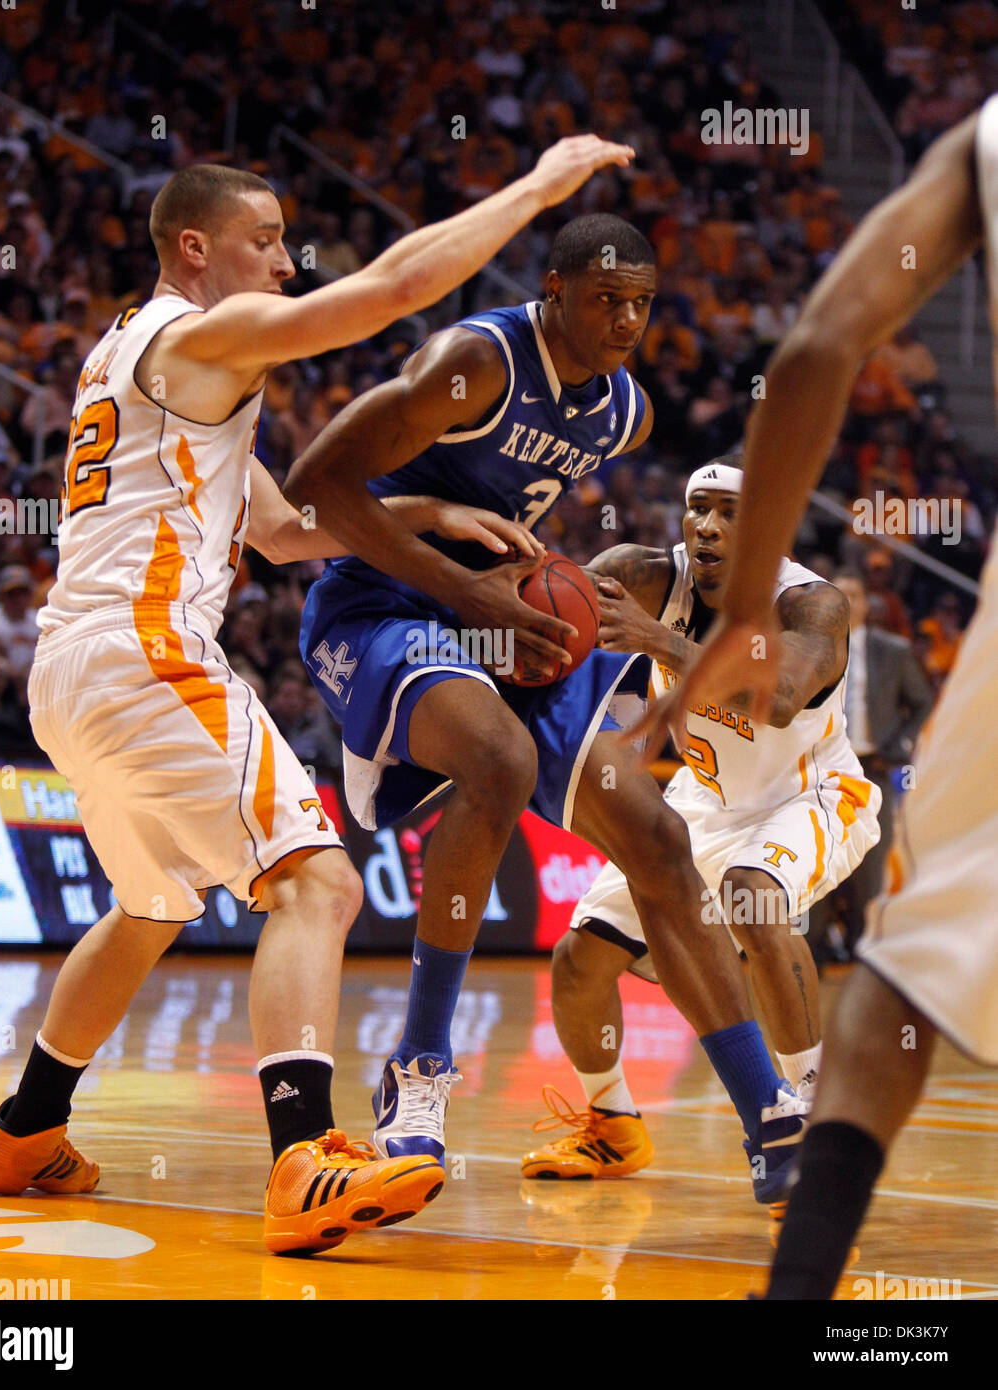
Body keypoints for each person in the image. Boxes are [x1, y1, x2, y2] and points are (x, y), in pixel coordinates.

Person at [0, 140, 638, 1257]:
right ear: (195, 248)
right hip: (145, 653)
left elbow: (280, 533)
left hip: (73, 671)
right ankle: (302, 1157)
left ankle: (26, 1129)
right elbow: (391, 295)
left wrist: (430, 516)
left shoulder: (136, 360)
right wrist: (536, 188)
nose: (286, 261)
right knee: (316, 882)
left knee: (150, 907)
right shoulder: (192, 333)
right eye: (265, 240)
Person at [286, 214, 809, 1209]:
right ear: (555, 290)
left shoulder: (624, 413)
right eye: (605, 298)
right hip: (378, 602)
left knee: (655, 837)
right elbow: (315, 491)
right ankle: (421, 1066)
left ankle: (769, 1119)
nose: (624, 320)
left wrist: (537, 591)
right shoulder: (471, 365)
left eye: (640, 304)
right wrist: (463, 583)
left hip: (498, 615)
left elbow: (514, 513)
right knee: (496, 763)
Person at [635, 102, 995, 1299]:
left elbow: (812, 354)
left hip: (801, 792)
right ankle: (668, 1117)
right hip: (723, 805)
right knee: (636, 943)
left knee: (898, 964)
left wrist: (733, 610)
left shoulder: (984, 137)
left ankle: (800, 1288)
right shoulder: (649, 566)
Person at [522, 460, 880, 1204]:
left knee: (755, 898)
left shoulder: (812, 604)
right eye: (697, 510)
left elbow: (778, 699)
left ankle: (808, 1111)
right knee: (578, 962)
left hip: (809, 793)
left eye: (729, 513)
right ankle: (612, 1123)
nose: (709, 527)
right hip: (701, 798)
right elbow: (550, 618)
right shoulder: (643, 575)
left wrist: (659, 642)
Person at [806, 572, 932, 956]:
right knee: (816, 872)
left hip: (872, 769)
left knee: (869, 875)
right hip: (818, 773)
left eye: (855, 594)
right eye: (839, 593)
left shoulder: (892, 650)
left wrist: (897, 744)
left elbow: (923, 701)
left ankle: (868, 967)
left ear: (866, 603)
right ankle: (811, 966)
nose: (848, 600)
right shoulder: (805, 649)